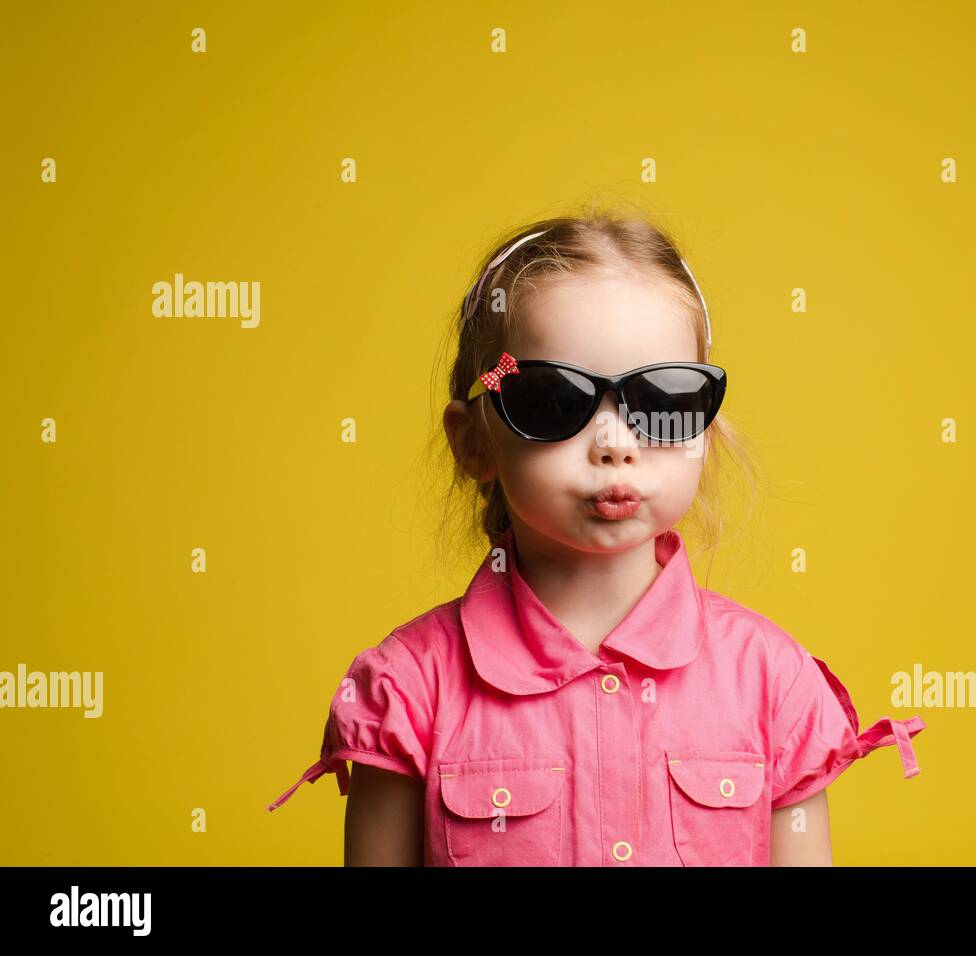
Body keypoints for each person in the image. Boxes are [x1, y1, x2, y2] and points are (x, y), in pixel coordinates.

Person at [267, 204, 925, 866]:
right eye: (552, 401)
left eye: (664, 402)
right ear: (474, 442)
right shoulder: (409, 690)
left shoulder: (772, 683)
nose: (615, 443)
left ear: (704, 430)